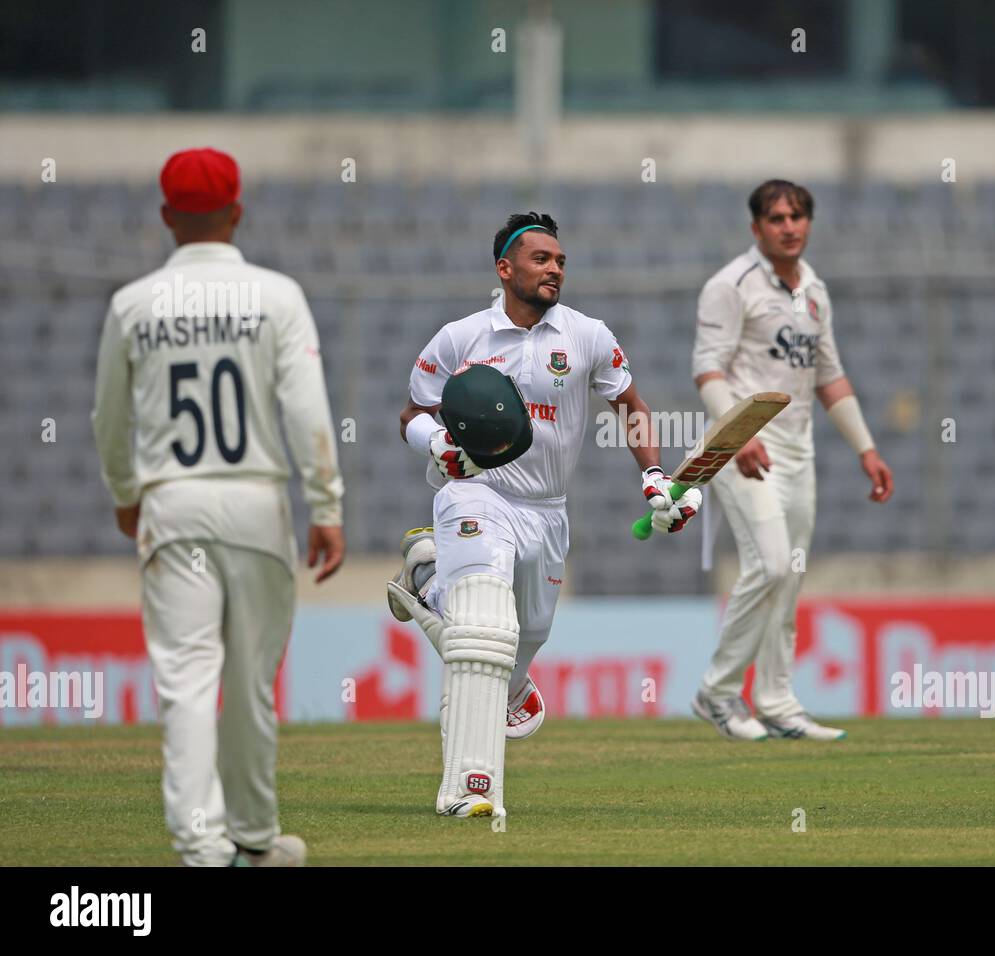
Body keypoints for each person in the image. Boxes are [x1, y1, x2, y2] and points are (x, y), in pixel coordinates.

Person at [386, 211, 698, 819]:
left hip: (547, 513)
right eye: (540, 259)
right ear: (505, 268)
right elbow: (412, 414)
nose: (554, 268)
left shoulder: (587, 335)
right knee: (484, 635)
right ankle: (470, 791)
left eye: (560, 260)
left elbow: (633, 406)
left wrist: (654, 477)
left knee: (518, 643)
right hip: (477, 493)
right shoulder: (460, 337)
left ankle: (428, 584)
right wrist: (437, 445)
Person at [92, 147, 346, 866]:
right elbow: (308, 412)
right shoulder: (278, 296)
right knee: (251, 685)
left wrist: (126, 494)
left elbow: (108, 421)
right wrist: (327, 505)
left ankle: (204, 846)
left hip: (174, 503)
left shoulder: (131, 304)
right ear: (238, 212)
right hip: (257, 502)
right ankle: (256, 838)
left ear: (167, 217)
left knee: (187, 683)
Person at [690, 180, 894, 742]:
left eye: (798, 216)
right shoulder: (730, 285)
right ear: (756, 227)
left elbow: (828, 375)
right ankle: (717, 691)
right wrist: (738, 431)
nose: (789, 226)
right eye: (777, 217)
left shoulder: (815, 291)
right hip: (741, 446)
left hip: (797, 449)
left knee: (790, 576)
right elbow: (707, 370)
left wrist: (866, 449)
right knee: (772, 565)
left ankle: (777, 699)